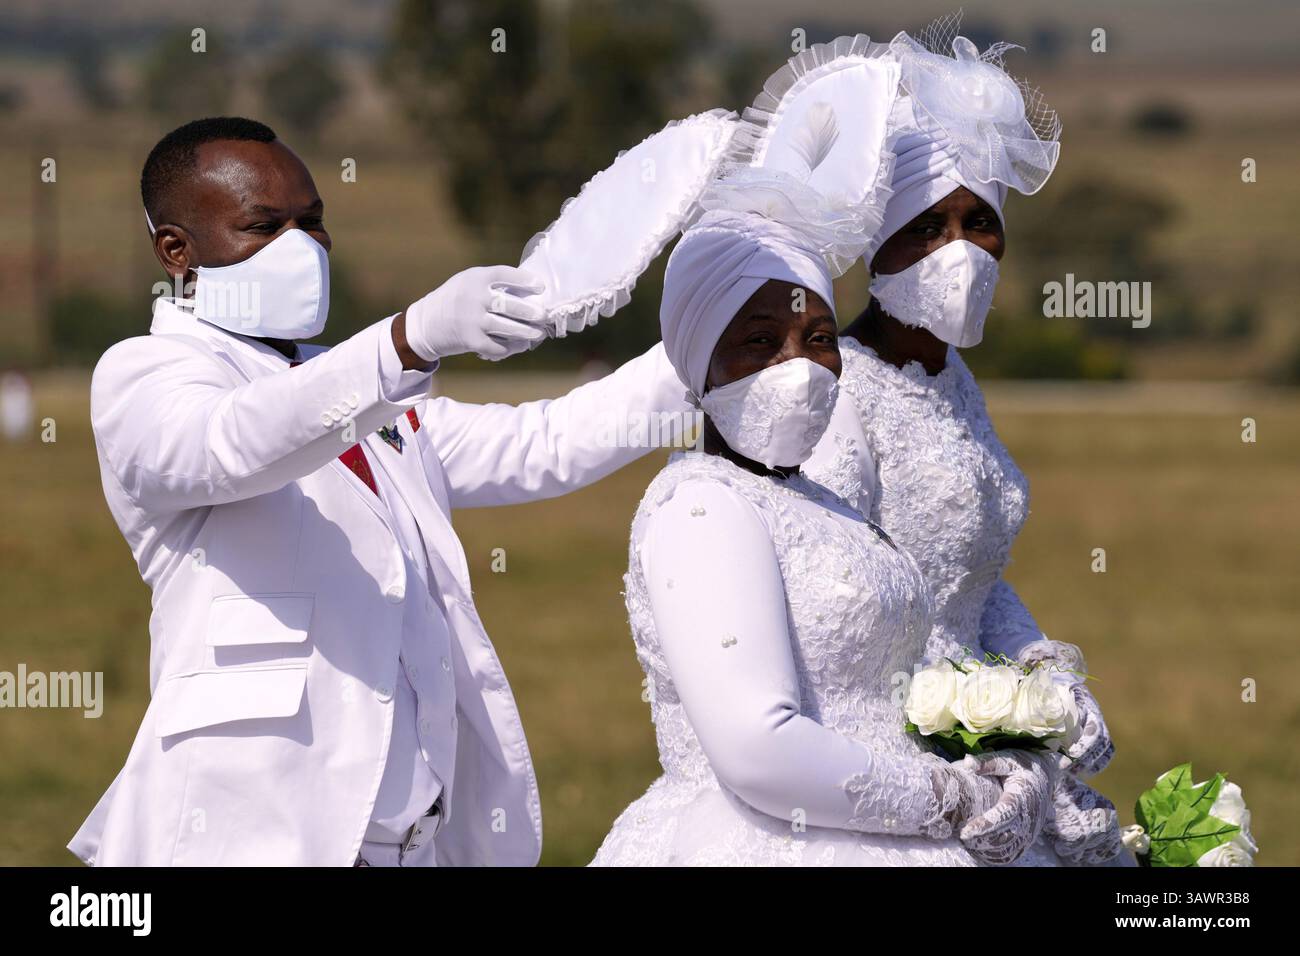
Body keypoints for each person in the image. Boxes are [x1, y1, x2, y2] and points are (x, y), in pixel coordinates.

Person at [69, 116, 688, 866]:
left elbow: (546, 442)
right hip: (245, 838)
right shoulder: (147, 375)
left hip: (405, 846)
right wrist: (409, 338)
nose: (302, 248)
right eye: (263, 226)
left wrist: (707, 340)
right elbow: (238, 440)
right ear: (177, 251)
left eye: (314, 222)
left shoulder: (367, 393)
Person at [591, 208, 1065, 866]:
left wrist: (1008, 758)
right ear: (701, 358)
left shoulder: (828, 508)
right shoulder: (701, 508)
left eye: (818, 338)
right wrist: (952, 796)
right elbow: (758, 751)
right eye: (762, 342)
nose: (801, 366)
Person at [802, 22, 1126, 864]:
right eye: (926, 227)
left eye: (977, 223)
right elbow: (841, 622)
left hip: (979, 725)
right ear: (876, 247)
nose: (959, 252)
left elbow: (971, 579)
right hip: (892, 750)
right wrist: (985, 730)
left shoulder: (955, 383)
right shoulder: (841, 392)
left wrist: (1042, 672)